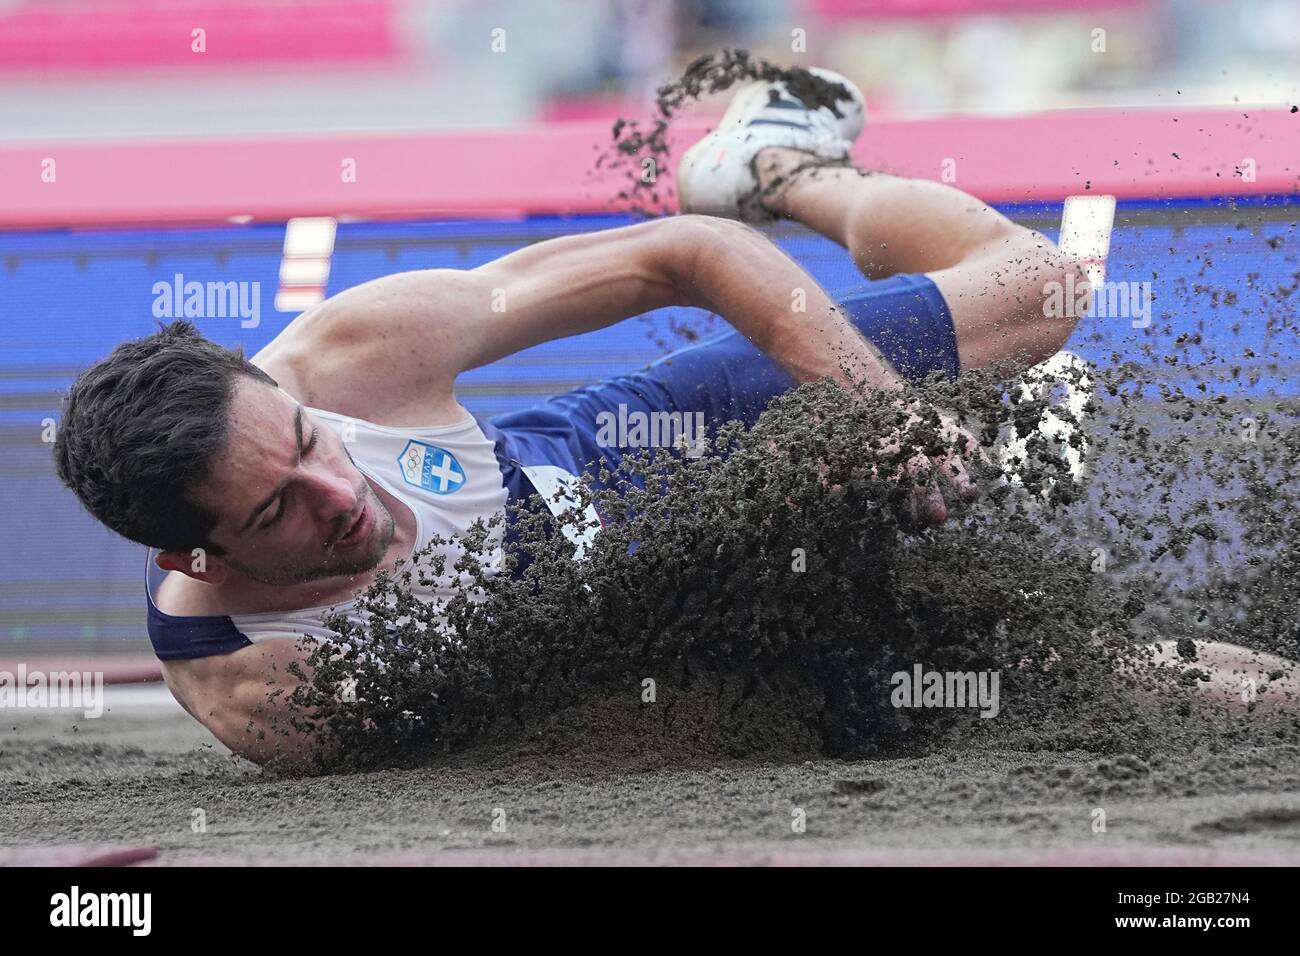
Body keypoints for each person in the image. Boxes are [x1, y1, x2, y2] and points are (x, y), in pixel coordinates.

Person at [54, 69, 1289, 765]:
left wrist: (872, 423)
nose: (342, 494)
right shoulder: (267, 688)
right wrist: (805, 561)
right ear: (192, 555)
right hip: (652, 632)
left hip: (610, 454)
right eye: (279, 510)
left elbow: (683, 254)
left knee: (1047, 286)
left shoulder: (346, 352)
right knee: (1066, 681)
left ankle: (787, 168)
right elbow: (618, 726)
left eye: (312, 445)